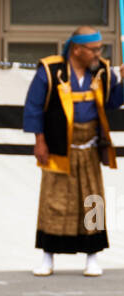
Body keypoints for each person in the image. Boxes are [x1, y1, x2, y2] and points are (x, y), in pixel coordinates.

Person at [22, 27, 123, 277]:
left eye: (100, 48)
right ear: (77, 49)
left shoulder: (101, 71)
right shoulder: (50, 70)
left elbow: (112, 102)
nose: (98, 54)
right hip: (58, 147)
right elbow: (34, 106)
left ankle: (93, 257)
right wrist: (39, 141)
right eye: (94, 49)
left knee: (93, 201)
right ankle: (48, 257)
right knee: (54, 201)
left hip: (89, 147)